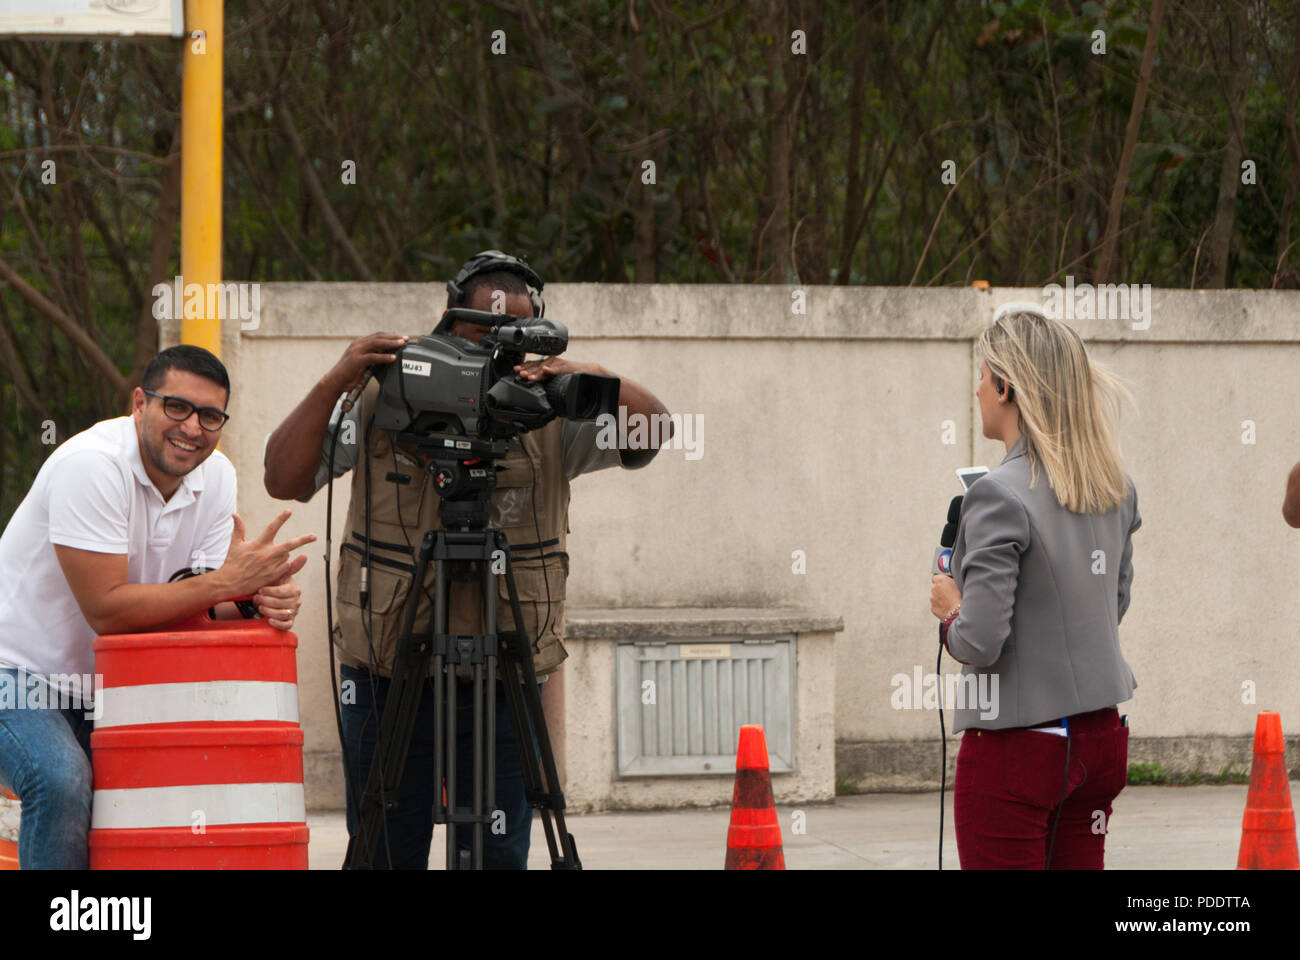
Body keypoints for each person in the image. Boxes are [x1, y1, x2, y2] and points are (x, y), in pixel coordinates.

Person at [263, 250, 671, 869]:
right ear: (447, 325)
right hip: (386, 669)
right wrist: (336, 380)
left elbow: (656, 431)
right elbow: (283, 476)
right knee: (383, 851)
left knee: (495, 852)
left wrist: (585, 374)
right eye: (481, 337)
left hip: (504, 677)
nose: (494, 360)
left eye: (514, 344)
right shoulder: (385, 400)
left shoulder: (545, 414)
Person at [0, 344, 314, 869]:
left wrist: (258, 600)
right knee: (62, 782)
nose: (192, 427)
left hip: (112, 681)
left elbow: (191, 605)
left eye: (210, 416)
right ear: (140, 403)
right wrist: (224, 585)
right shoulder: (91, 465)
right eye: (177, 407)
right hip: (16, 671)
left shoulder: (216, 479)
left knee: (159, 791)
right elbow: (108, 609)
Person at [929, 305, 1140, 870]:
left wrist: (951, 610)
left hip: (1018, 750)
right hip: (1099, 739)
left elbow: (979, 641)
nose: (976, 390)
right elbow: (1110, 604)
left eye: (982, 376)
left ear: (1006, 387)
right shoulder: (1114, 487)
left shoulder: (997, 494)